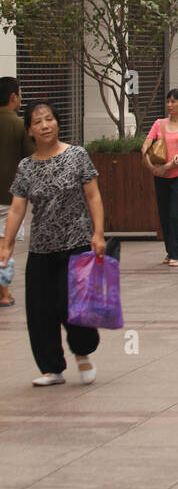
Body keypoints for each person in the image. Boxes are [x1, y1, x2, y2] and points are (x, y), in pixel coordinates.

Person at [0, 101, 105, 386]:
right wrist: (6, 244)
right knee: (40, 311)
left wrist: (98, 233)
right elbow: (17, 208)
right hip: (41, 249)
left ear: (57, 123)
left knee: (71, 305)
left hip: (77, 244)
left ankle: (82, 352)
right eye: (38, 122)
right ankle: (52, 368)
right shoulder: (26, 167)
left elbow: (93, 196)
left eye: (49, 119)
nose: (45, 125)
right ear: (30, 130)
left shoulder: (77, 155)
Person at [141, 89, 178, 266]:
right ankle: (169, 250)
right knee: (164, 214)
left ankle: (174, 254)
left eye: (173, 102)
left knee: (175, 214)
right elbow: (145, 147)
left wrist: (166, 167)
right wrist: (152, 168)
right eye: (168, 101)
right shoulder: (159, 124)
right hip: (159, 176)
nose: (170, 105)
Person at [0, 77, 34, 306]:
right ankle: (3, 293)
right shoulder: (18, 125)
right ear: (13, 97)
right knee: (5, 243)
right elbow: (32, 159)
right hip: (8, 196)